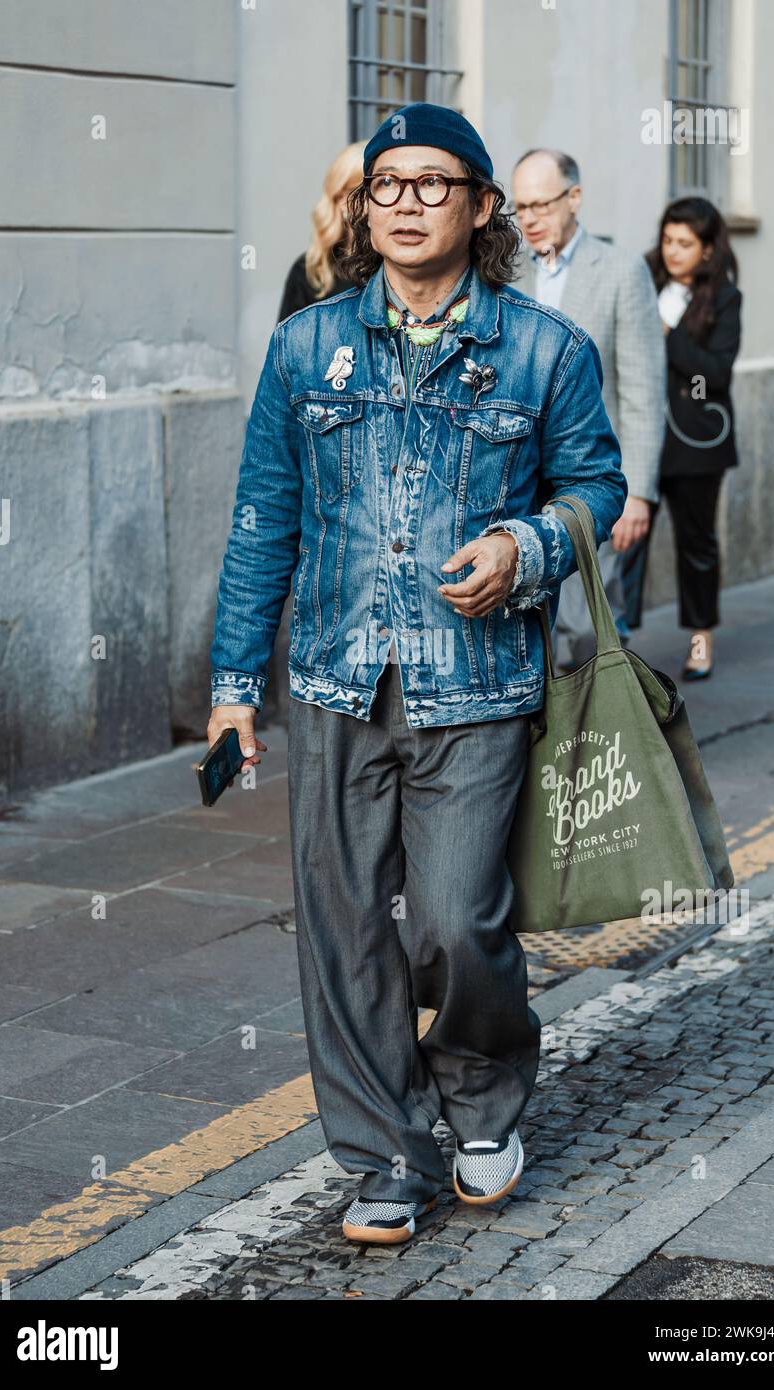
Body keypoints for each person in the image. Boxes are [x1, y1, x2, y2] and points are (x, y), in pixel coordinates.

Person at [208, 102, 626, 1246]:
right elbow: (263, 519)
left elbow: (595, 489)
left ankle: (482, 1094)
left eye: (431, 183)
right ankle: (386, 1151)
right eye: (384, 185)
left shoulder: (544, 351)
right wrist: (234, 681)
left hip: (477, 682)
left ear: (482, 207)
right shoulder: (308, 347)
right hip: (337, 679)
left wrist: (522, 548)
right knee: (344, 930)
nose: (402, 202)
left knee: (453, 921)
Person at [511, 149, 665, 669]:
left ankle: (605, 738)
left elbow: (643, 387)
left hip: (592, 481)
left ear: (574, 198)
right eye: (520, 207)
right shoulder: (505, 272)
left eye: (541, 204)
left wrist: (639, 493)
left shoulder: (622, 272)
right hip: (519, 482)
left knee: (588, 630)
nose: (529, 218)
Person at [644, 197, 741, 679]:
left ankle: (700, 638)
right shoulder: (644, 279)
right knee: (625, 539)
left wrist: (668, 335)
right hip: (642, 435)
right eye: (667, 240)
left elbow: (715, 374)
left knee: (696, 543)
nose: (672, 251)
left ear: (706, 250)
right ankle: (612, 639)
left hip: (697, 443)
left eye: (685, 243)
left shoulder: (722, 297)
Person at [276, 141, 365, 322]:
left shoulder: (398, 267)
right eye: (361, 190)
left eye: (382, 187)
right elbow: (287, 347)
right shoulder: (310, 270)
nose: (372, 201)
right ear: (340, 199)